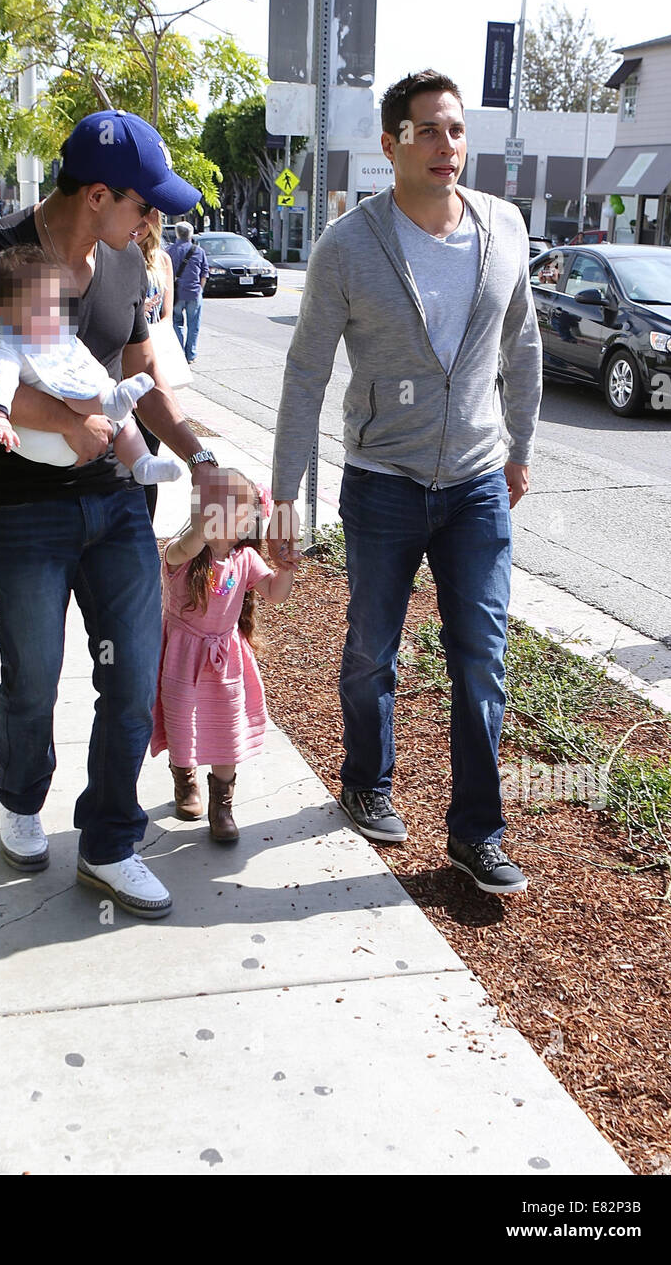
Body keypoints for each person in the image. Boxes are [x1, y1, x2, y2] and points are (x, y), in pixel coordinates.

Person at [0, 108, 233, 921]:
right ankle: (21, 797)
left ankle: (108, 843)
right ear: (98, 194)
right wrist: (61, 421)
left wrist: (200, 460)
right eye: (143, 204)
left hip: (119, 508)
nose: (152, 219)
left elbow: (146, 382)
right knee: (31, 677)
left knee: (129, 679)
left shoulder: (129, 267)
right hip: (27, 510)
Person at [269, 69, 542, 896]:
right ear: (390, 145)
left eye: (455, 130)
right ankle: (367, 778)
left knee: (482, 661)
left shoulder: (505, 228)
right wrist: (286, 496)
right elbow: (307, 371)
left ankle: (477, 833)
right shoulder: (350, 244)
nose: (445, 146)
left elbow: (523, 346)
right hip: (383, 480)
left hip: (476, 485)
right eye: (426, 131)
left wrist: (520, 448)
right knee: (370, 650)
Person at [150, 469, 295, 841]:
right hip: (183, 657)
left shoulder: (245, 558)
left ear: (249, 517)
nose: (224, 514)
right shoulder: (182, 553)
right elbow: (187, 544)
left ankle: (222, 805)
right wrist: (202, 529)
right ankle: (185, 782)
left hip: (227, 657)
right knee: (182, 726)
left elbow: (275, 595)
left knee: (227, 730)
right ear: (199, 510)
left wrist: (285, 569)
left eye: (236, 507)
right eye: (214, 505)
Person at [0, 243, 180, 487]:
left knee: (126, 421)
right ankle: (110, 402)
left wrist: (103, 384)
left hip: (93, 431)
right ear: (8, 309)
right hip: (48, 441)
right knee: (80, 397)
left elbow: (83, 362)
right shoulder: (6, 342)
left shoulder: (55, 333)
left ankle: (142, 463)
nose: (51, 311)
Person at [130, 208, 177, 520]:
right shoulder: (114, 253)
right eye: (136, 217)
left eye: (148, 219)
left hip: (153, 365)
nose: (140, 226)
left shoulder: (162, 260)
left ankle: (145, 525)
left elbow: (167, 316)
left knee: (150, 450)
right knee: (123, 456)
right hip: (121, 368)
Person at [167, 220, 208, 363]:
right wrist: (200, 290)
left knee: (176, 322)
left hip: (176, 293)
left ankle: (179, 353)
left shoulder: (169, 251)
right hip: (194, 292)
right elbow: (204, 274)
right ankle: (190, 355)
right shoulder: (199, 251)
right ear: (191, 235)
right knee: (193, 325)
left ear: (177, 234)